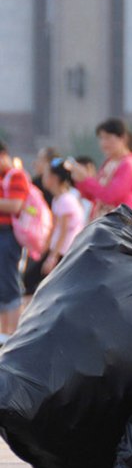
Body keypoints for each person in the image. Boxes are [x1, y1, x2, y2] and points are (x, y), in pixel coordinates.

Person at [20, 157, 85, 294]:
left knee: (33, 284)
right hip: (58, 251)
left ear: (54, 178)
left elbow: (63, 231)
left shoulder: (65, 201)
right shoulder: (59, 199)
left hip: (63, 253)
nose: (43, 177)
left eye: (46, 174)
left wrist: (52, 257)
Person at [69, 117, 132, 221]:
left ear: (123, 138)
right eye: (101, 138)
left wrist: (86, 179)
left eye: (108, 138)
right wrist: (80, 180)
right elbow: (96, 195)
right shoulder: (109, 163)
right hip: (106, 222)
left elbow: (110, 196)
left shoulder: (129, 164)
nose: (103, 143)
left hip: (123, 224)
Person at [0, 140, 28, 337]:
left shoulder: (16, 176)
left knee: (9, 282)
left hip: (8, 234)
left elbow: (15, 206)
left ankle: (12, 334)